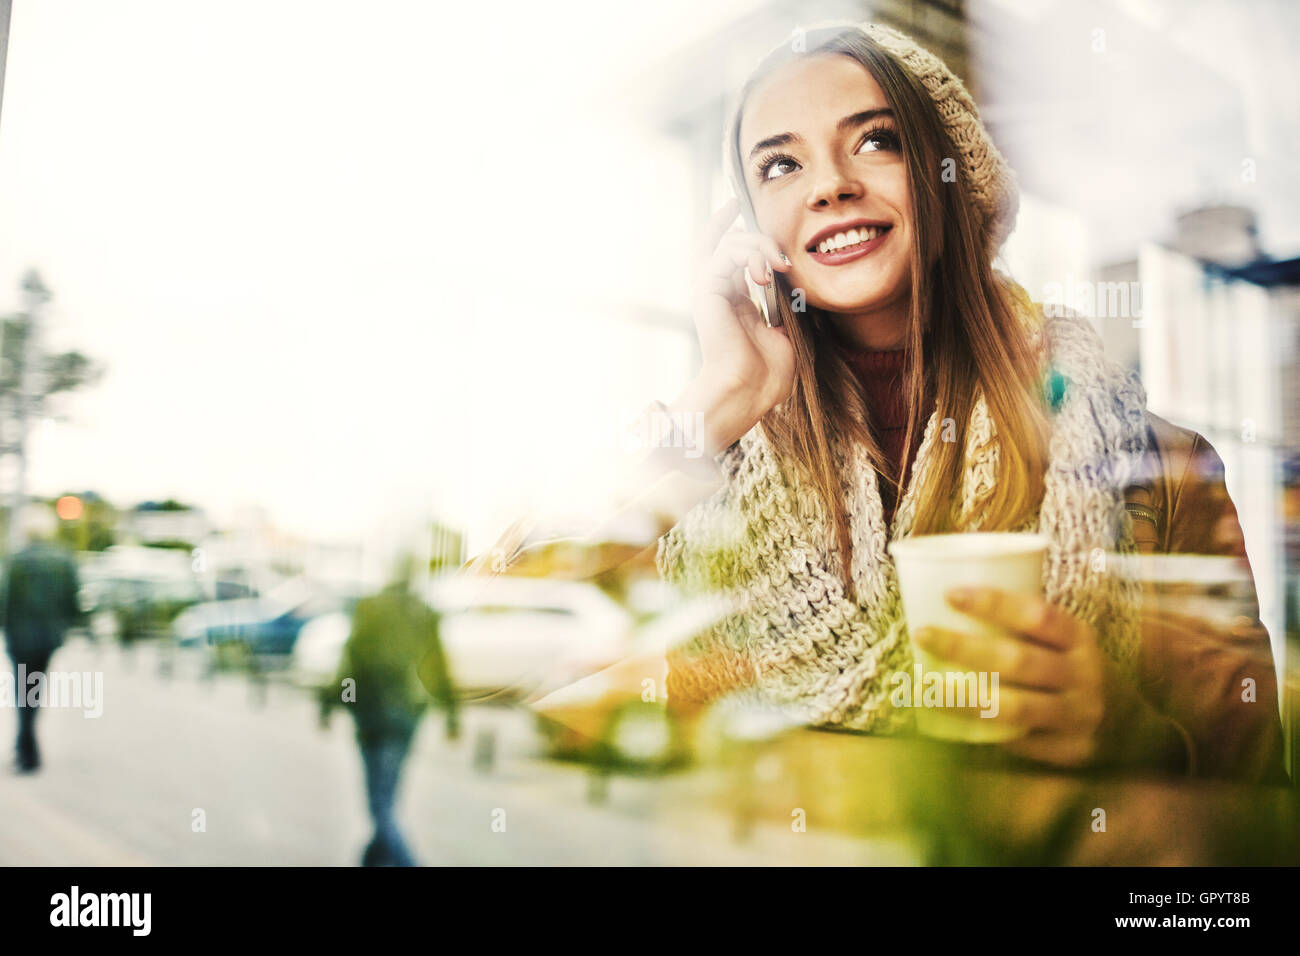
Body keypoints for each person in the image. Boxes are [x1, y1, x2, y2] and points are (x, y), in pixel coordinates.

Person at [468, 21, 1286, 784]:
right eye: (781, 165)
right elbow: (475, 658)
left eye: (877, 140)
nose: (830, 185)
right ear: (753, 230)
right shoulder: (703, 472)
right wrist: (718, 400)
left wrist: (1122, 734)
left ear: (948, 180)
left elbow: (1251, 805)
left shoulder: (1161, 471)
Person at [326, 548, 458, 866]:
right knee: (387, 793)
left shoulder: (370, 608)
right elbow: (438, 665)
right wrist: (453, 713)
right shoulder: (424, 612)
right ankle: (373, 858)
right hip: (408, 715)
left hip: (372, 717)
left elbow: (351, 660)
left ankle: (405, 861)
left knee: (379, 799)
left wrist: (332, 700)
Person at [2, 533, 82, 773]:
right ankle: (25, 744)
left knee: (24, 689)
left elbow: (4, 598)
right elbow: (73, 598)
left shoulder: (16, 561)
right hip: (48, 637)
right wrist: (66, 625)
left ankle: (26, 746)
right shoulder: (63, 560)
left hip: (19, 636)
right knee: (35, 688)